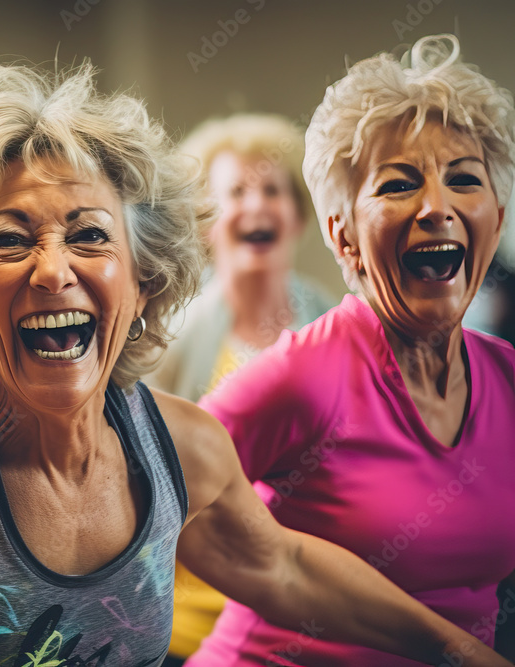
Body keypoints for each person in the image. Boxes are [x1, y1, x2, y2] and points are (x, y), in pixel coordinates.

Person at [0, 60, 510, 667]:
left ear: (142, 284)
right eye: (9, 241)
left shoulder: (178, 448)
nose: (53, 268)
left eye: (88, 235)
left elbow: (280, 564)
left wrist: (452, 648)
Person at [188, 34, 515, 665]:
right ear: (344, 237)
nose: (436, 208)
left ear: (495, 220)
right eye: (399, 185)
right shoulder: (301, 374)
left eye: (463, 180)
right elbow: (165, 504)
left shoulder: (507, 380)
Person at [146, 115, 335, 662]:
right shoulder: (167, 338)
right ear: (207, 221)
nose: (257, 205)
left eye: (272, 189)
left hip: (308, 622)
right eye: (237, 191)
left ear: (299, 217)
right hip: (189, 634)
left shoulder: (337, 326)